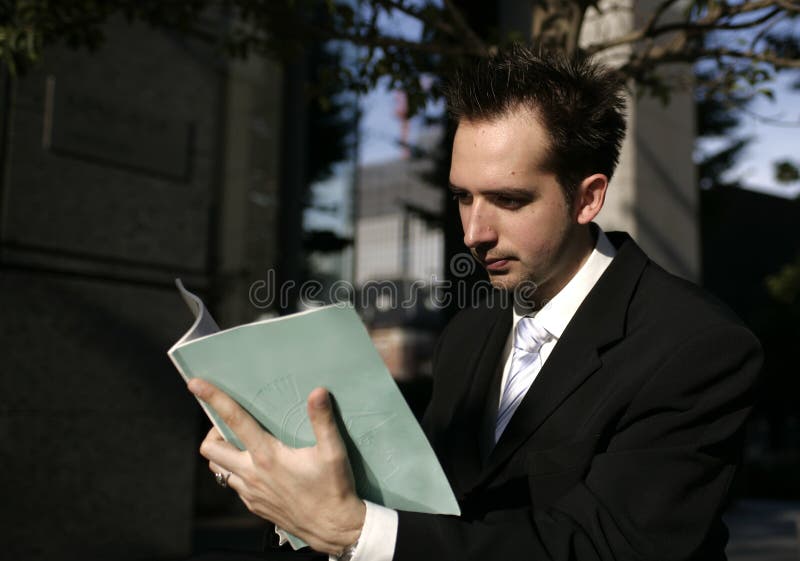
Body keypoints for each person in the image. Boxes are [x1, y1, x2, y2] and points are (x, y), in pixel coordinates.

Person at [187, 45, 762, 561]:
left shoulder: (696, 347)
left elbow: (603, 546)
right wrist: (285, 484)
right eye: (463, 197)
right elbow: (433, 505)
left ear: (588, 198)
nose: (473, 232)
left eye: (508, 200)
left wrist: (356, 532)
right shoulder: (472, 328)